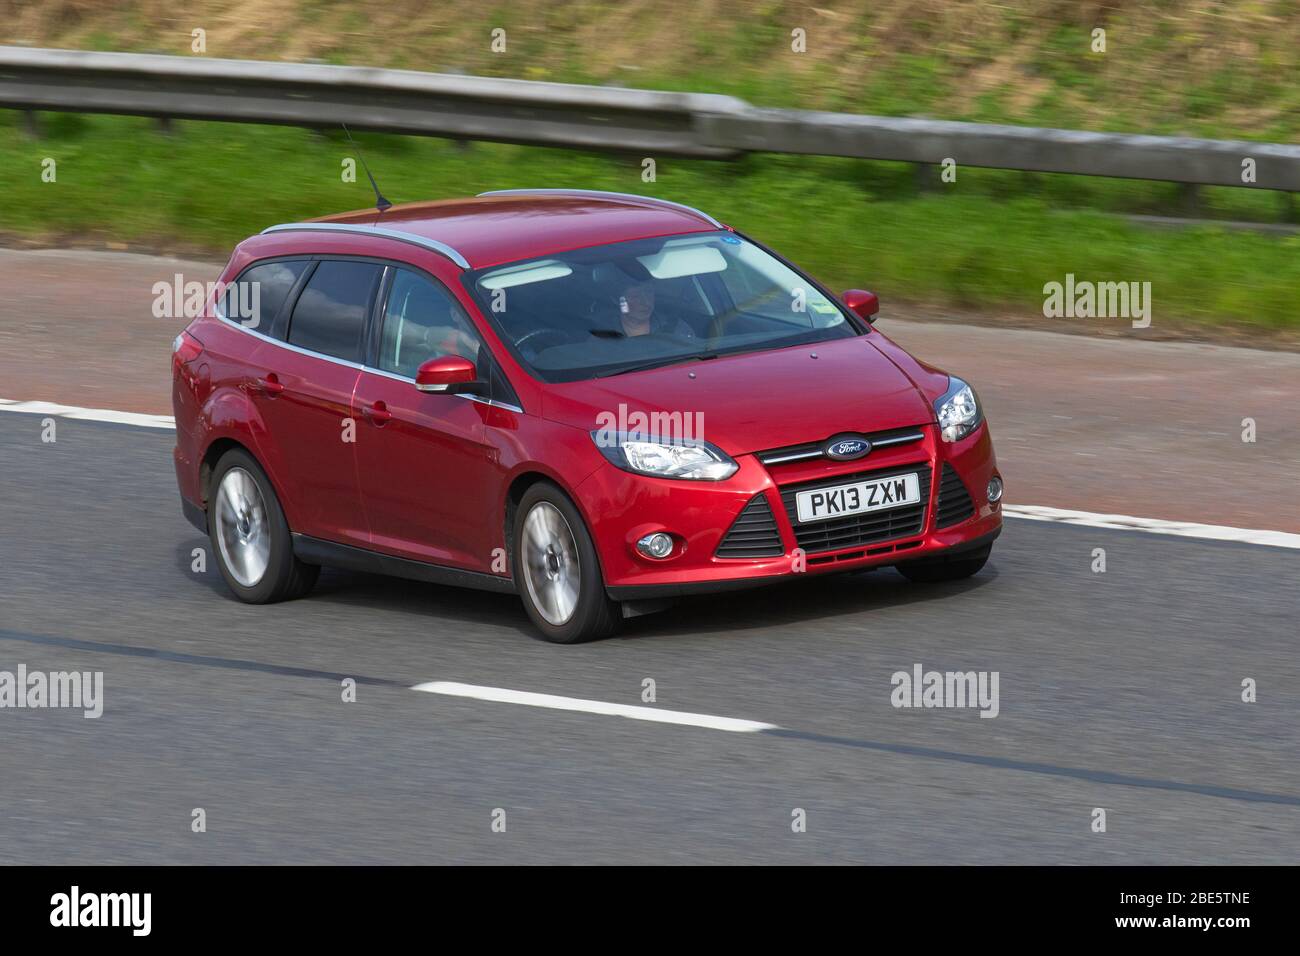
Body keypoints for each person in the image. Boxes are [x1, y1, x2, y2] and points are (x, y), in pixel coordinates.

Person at [618, 281, 695, 339]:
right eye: (635, 296)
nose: (646, 302)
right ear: (618, 300)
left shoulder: (677, 328)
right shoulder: (607, 331)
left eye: (649, 293)